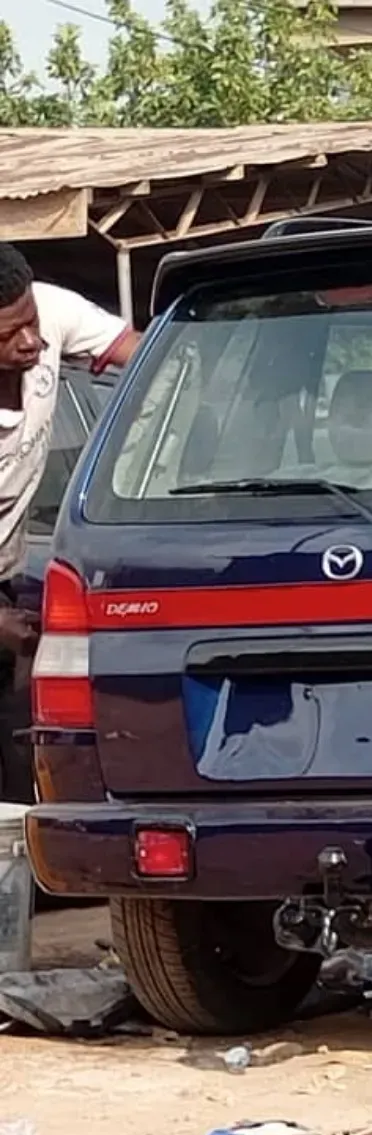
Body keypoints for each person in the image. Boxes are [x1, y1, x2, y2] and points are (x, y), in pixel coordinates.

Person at [0, 243, 139, 795]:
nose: (31, 342)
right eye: (7, 336)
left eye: (29, 322)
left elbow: (142, 351)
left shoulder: (48, 312)